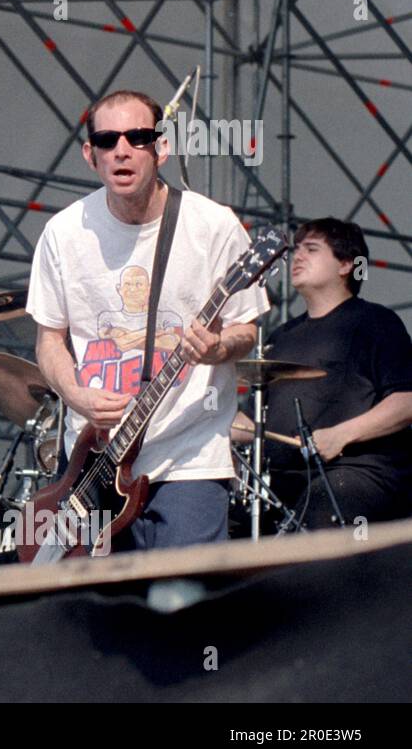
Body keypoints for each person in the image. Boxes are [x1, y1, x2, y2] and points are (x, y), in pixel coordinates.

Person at [26, 89, 269, 550]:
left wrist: (217, 348)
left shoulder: (213, 226)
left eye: (138, 137)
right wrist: (74, 393)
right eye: (107, 139)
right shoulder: (63, 232)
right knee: (90, 612)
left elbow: (246, 329)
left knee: (183, 605)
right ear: (89, 154)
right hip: (91, 464)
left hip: (188, 458)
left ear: (162, 148)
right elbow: (49, 340)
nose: (122, 149)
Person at [259, 218, 412, 527]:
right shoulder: (280, 337)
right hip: (283, 479)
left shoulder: (376, 322)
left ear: (345, 265)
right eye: (297, 249)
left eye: (311, 249)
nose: (297, 256)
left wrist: (340, 436)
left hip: (356, 471)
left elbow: (406, 401)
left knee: (320, 511)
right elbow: (256, 420)